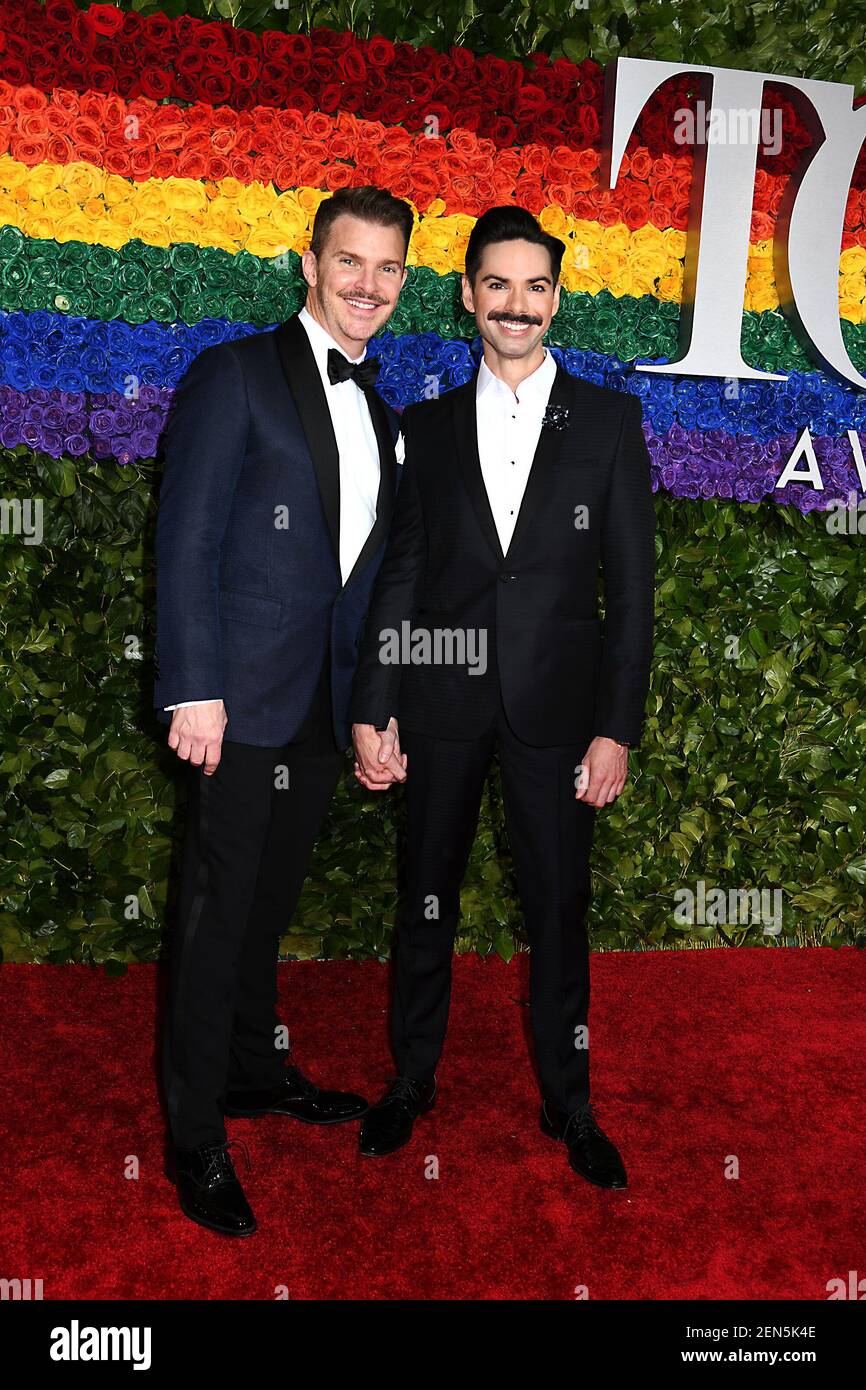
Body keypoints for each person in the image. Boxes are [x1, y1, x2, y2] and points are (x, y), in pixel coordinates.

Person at [350, 204, 656, 1190]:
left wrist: (615, 727)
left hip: (558, 714)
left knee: (558, 909)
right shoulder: (426, 429)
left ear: (554, 298)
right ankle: (410, 1080)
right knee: (423, 901)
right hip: (438, 704)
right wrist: (374, 700)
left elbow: (631, 592)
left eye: (533, 287)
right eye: (495, 285)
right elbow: (400, 574)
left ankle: (568, 1103)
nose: (513, 305)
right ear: (467, 295)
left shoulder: (609, 422)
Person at [154, 185, 413, 1235]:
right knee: (213, 918)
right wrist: (192, 686)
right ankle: (191, 1134)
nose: (366, 286)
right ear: (308, 263)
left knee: (267, 907)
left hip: (318, 707)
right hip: (235, 700)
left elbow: (374, 578)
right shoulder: (235, 376)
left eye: (387, 268)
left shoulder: (385, 417)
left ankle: (254, 1072)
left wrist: (368, 709)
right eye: (348, 263)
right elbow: (185, 539)